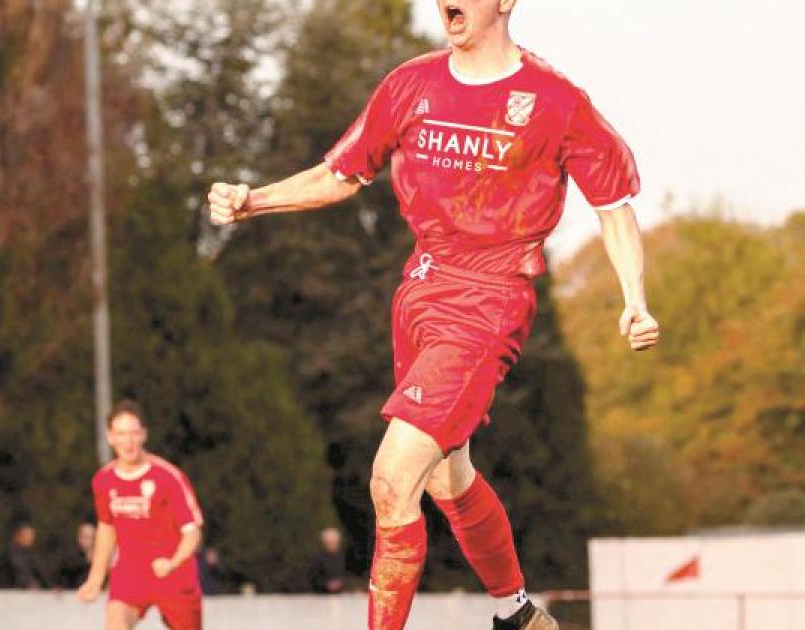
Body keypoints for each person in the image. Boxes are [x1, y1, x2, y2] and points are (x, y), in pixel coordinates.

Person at [207, 2, 660, 628]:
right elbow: (343, 173)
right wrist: (253, 200)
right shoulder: (410, 84)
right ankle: (517, 614)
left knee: (393, 479)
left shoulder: (555, 99)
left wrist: (634, 298)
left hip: (490, 298)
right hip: (421, 290)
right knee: (448, 479)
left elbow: (614, 204)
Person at [78, 400, 205, 629]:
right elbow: (107, 528)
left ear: (144, 435)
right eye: (121, 434)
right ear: (110, 437)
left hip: (174, 574)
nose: (128, 441)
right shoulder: (104, 481)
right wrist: (96, 578)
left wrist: (172, 562)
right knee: (116, 623)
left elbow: (193, 533)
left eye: (134, 433)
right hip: (131, 571)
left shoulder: (168, 477)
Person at [0, 523, 48, 590]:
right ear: (20, 536)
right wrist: (28, 584)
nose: (31, 540)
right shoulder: (11, 553)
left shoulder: (29, 553)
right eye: (28, 537)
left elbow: (39, 572)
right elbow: (17, 572)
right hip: (13, 590)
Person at [308, 527, 347, 594]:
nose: (332, 544)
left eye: (334, 542)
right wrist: (326, 585)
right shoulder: (318, 559)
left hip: (339, 594)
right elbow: (313, 578)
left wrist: (341, 583)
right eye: (329, 542)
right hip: (322, 595)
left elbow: (346, 575)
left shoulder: (341, 558)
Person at [57, 522, 95, 589]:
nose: (88, 541)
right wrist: (87, 561)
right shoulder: (70, 555)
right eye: (86, 537)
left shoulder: (100, 557)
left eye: (92, 538)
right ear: (79, 538)